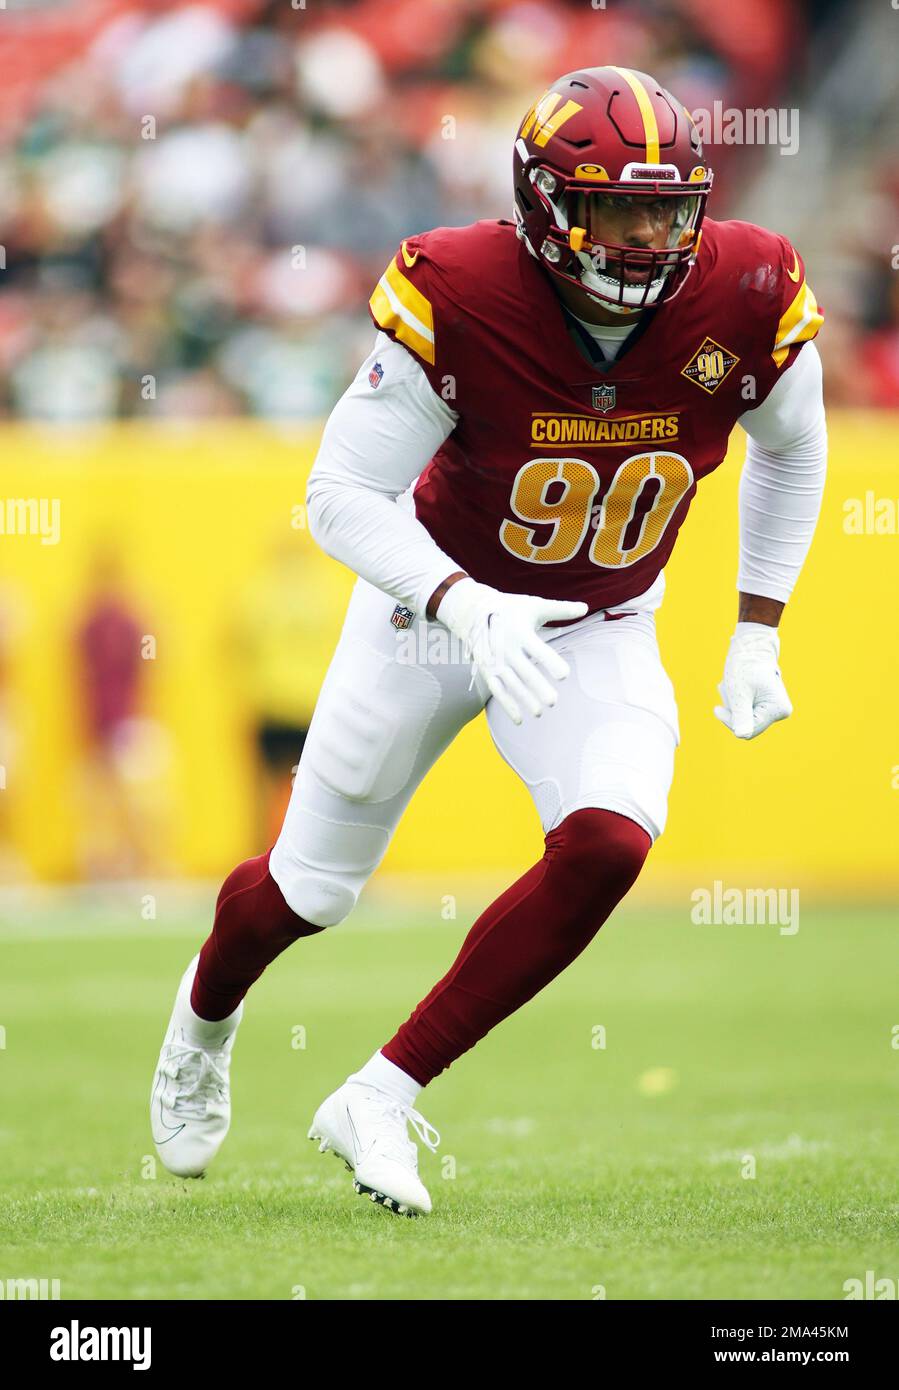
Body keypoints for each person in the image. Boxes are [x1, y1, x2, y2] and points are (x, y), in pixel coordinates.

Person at [150, 67, 826, 1217]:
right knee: (306, 891)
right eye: (621, 207)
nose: (652, 234)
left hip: (595, 623)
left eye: (671, 207)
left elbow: (793, 445)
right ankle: (201, 1026)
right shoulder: (460, 288)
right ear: (548, 205)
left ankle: (380, 1089)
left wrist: (756, 628)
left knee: (610, 840)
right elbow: (338, 495)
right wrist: (463, 601)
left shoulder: (746, 287)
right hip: (431, 610)